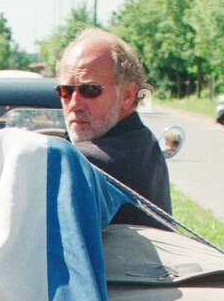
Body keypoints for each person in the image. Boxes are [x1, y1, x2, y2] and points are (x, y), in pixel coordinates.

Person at [56, 27, 171, 228]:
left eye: (90, 90)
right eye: (65, 91)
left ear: (127, 95)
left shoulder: (89, 162)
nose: (74, 103)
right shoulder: (141, 140)